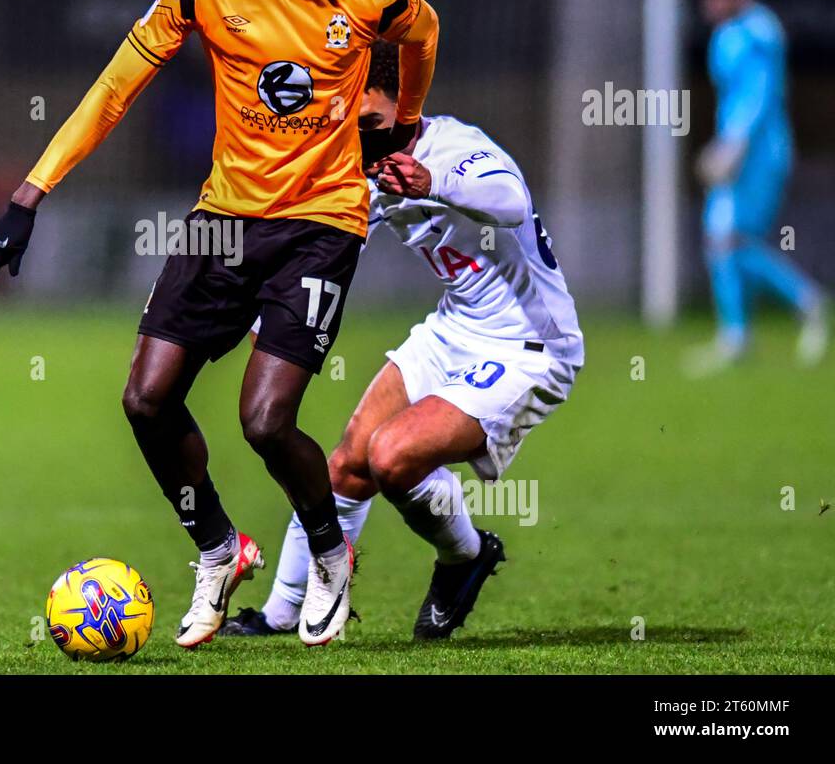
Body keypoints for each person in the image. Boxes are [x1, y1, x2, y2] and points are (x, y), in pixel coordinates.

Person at [0, 0, 439, 646]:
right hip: (225, 218)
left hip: (322, 223)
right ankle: (220, 549)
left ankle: (330, 554)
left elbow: (424, 30)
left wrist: (403, 126)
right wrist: (31, 191)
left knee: (264, 422)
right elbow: (115, 87)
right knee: (146, 400)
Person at [220, 41, 582, 639]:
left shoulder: (456, 149)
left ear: (406, 103)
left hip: (530, 349)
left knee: (390, 456)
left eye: (373, 123)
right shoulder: (363, 171)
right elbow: (320, 256)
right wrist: (263, 324)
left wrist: (433, 182)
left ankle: (464, 557)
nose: (362, 139)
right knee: (346, 465)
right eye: (351, 124)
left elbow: (512, 202)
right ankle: (281, 614)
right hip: (453, 328)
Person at [687, 0, 829, 376]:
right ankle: (738, 335)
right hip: (738, 149)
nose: (708, 5)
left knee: (729, 238)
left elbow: (759, 93)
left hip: (759, 154)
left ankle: (804, 300)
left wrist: (734, 143)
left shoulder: (757, 31)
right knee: (722, 239)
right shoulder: (727, 34)